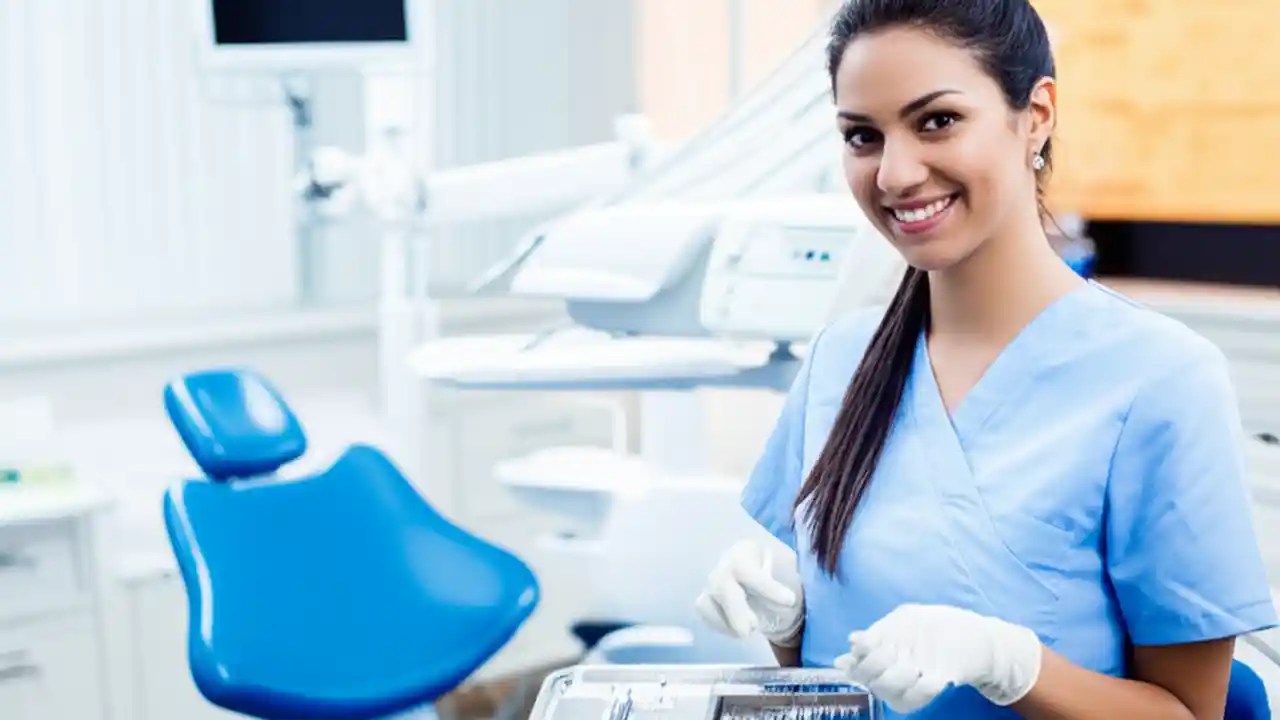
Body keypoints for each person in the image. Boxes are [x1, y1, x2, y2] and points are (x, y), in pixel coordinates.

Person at [693, 1, 1278, 718]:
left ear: (1036, 114)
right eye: (863, 136)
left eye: (936, 120)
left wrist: (1016, 665)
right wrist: (784, 620)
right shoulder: (842, 359)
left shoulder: (1158, 379)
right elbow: (833, 674)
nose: (896, 174)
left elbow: (1189, 714)